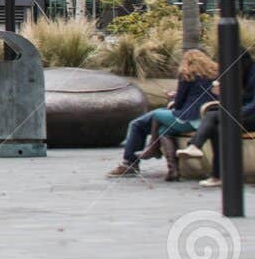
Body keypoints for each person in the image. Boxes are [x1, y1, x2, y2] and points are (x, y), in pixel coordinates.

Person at [109, 48, 218, 178]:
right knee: (163, 130)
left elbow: (179, 103)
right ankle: (173, 170)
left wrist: (173, 98)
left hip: (189, 119)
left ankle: (135, 160)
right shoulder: (214, 74)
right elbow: (200, 95)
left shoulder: (187, 74)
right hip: (208, 118)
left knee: (142, 121)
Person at [179, 58, 255, 187]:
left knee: (214, 116)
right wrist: (222, 93)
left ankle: (195, 146)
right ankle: (217, 175)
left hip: (251, 115)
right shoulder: (242, 73)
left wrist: (234, 113)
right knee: (218, 127)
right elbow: (241, 98)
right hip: (244, 114)